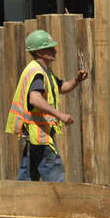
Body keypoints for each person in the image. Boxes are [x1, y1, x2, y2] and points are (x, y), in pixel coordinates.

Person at [6, 29, 88, 181]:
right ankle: (58, 203)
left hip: (36, 131)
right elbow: (35, 99)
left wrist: (76, 80)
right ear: (40, 52)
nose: (55, 50)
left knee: (29, 175)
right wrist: (61, 115)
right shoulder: (37, 72)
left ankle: (23, 201)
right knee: (53, 171)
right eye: (50, 48)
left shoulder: (44, 71)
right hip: (39, 132)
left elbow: (62, 87)